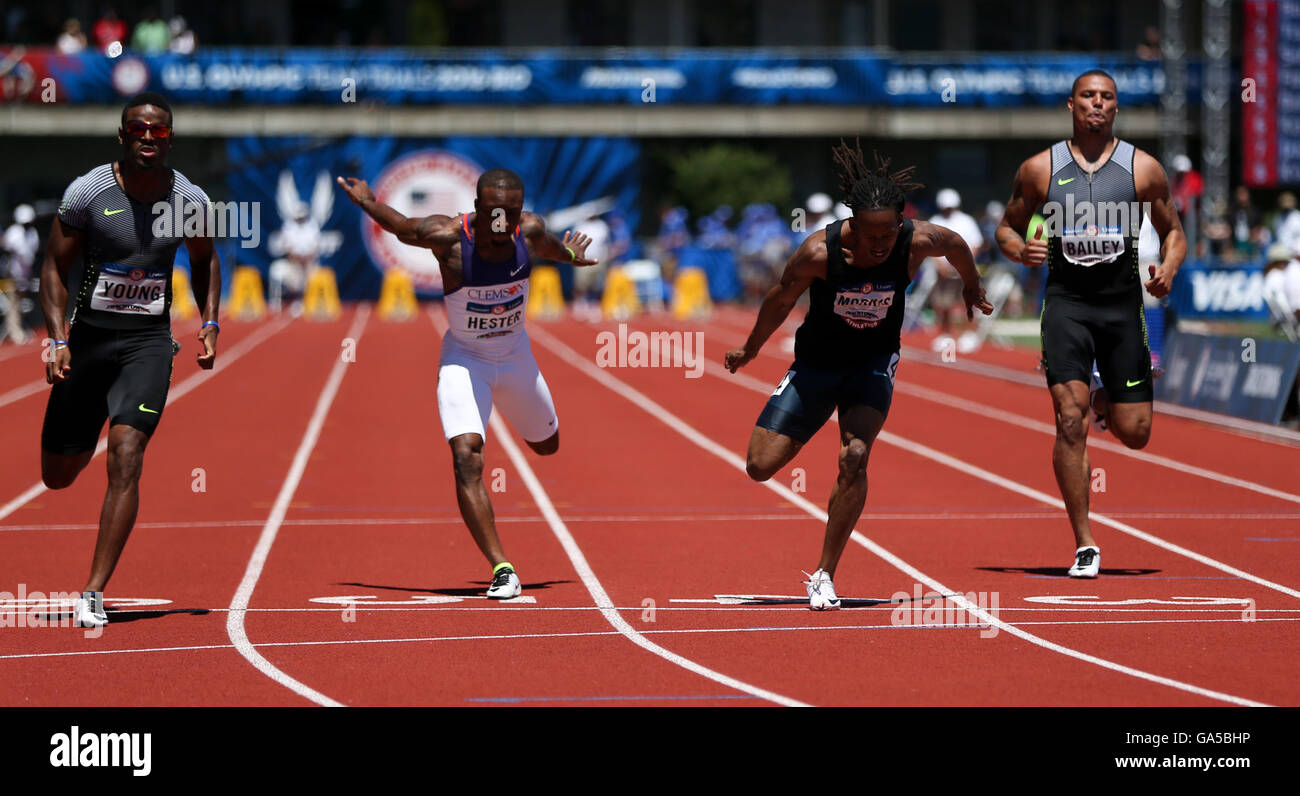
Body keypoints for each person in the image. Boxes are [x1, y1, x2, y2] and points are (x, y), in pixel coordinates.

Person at [725, 140, 993, 610]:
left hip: (872, 362)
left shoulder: (918, 240)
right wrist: (750, 349)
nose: (879, 244)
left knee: (855, 454)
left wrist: (972, 285)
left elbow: (956, 244)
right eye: (870, 235)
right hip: (817, 364)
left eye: (887, 233)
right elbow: (780, 300)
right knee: (759, 466)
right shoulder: (817, 252)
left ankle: (825, 574)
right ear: (852, 224)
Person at [337, 168, 596, 599]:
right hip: (465, 359)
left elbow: (549, 246)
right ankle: (503, 568)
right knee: (467, 456)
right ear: (477, 208)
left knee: (547, 446)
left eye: (511, 214)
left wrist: (570, 255)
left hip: (516, 359)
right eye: (495, 213)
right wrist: (365, 201)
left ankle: (535, 433)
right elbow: (400, 226)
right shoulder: (447, 238)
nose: (503, 224)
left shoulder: (527, 231)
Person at [40, 92, 222, 628]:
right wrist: (57, 337)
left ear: (169, 138)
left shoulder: (189, 198)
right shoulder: (88, 192)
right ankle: (84, 426)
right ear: (122, 135)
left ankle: (93, 590)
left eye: (159, 131)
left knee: (127, 452)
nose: (148, 136)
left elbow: (206, 263)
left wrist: (209, 323)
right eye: (138, 128)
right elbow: (54, 267)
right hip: (90, 342)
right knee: (57, 475)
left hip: (146, 344)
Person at [995, 69, 1186, 579]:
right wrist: (1022, 250)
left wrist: (1167, 268)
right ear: (1071, 105)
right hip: (1066, 305)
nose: (1097, 104)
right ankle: (1084, 542)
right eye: (1088, 97)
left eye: (1106, 97)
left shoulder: (1143, 169)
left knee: (1136, 432)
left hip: (1122, 309)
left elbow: (1175, 233)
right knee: (1068, 418)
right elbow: (1007, 229)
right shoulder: (1040, 168)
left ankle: (1109, 401)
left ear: (1116, 108)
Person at [926, 188, 986, 352]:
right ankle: (945, 334)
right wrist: (940, 265)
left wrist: (964, 264)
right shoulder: (934, 220)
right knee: (942, 303)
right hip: (943, 271)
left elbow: (975, 244)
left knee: (967, 302)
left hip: (963, 270)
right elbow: (929, 247)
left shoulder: (966, 221)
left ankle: (969, 335)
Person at [2, 204, 39, 344]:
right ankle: (15, 332)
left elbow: (30, 256)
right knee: (13, 304)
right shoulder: (13, 232)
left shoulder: (33, 233)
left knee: (20, 304)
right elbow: (7, 252)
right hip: (12, 275)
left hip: (25, 275)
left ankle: (19, 329)